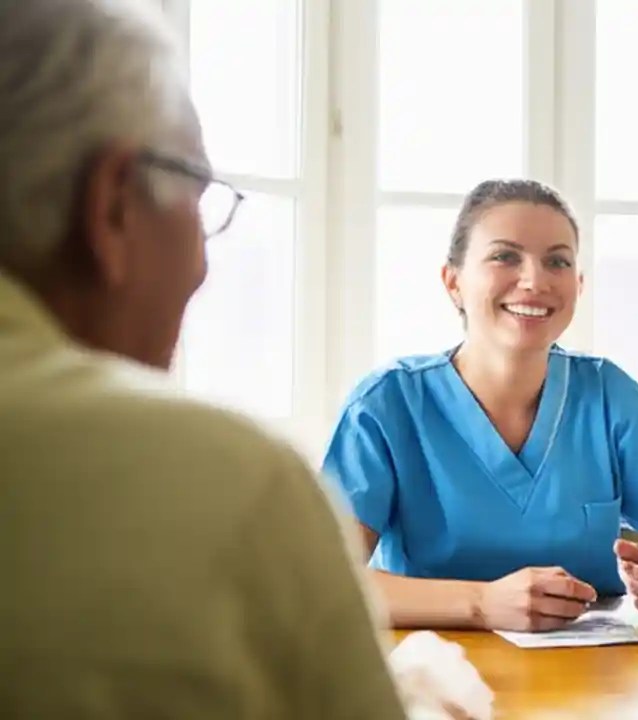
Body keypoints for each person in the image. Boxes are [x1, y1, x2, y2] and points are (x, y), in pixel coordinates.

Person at [0, 1, 406, 716]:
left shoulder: (600, 390)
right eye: (200, 195)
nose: (201, 266)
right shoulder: (235, 480)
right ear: (113, 203)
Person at [322, 179, 638, 631]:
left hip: (591, 666)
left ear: (578, 285)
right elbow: (325, 579)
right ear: (453, 282)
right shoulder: (386, 405)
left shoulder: (609, 396)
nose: (535, 281)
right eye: (505, 256)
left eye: (557, 261)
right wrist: (481, 602)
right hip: (438, 665)